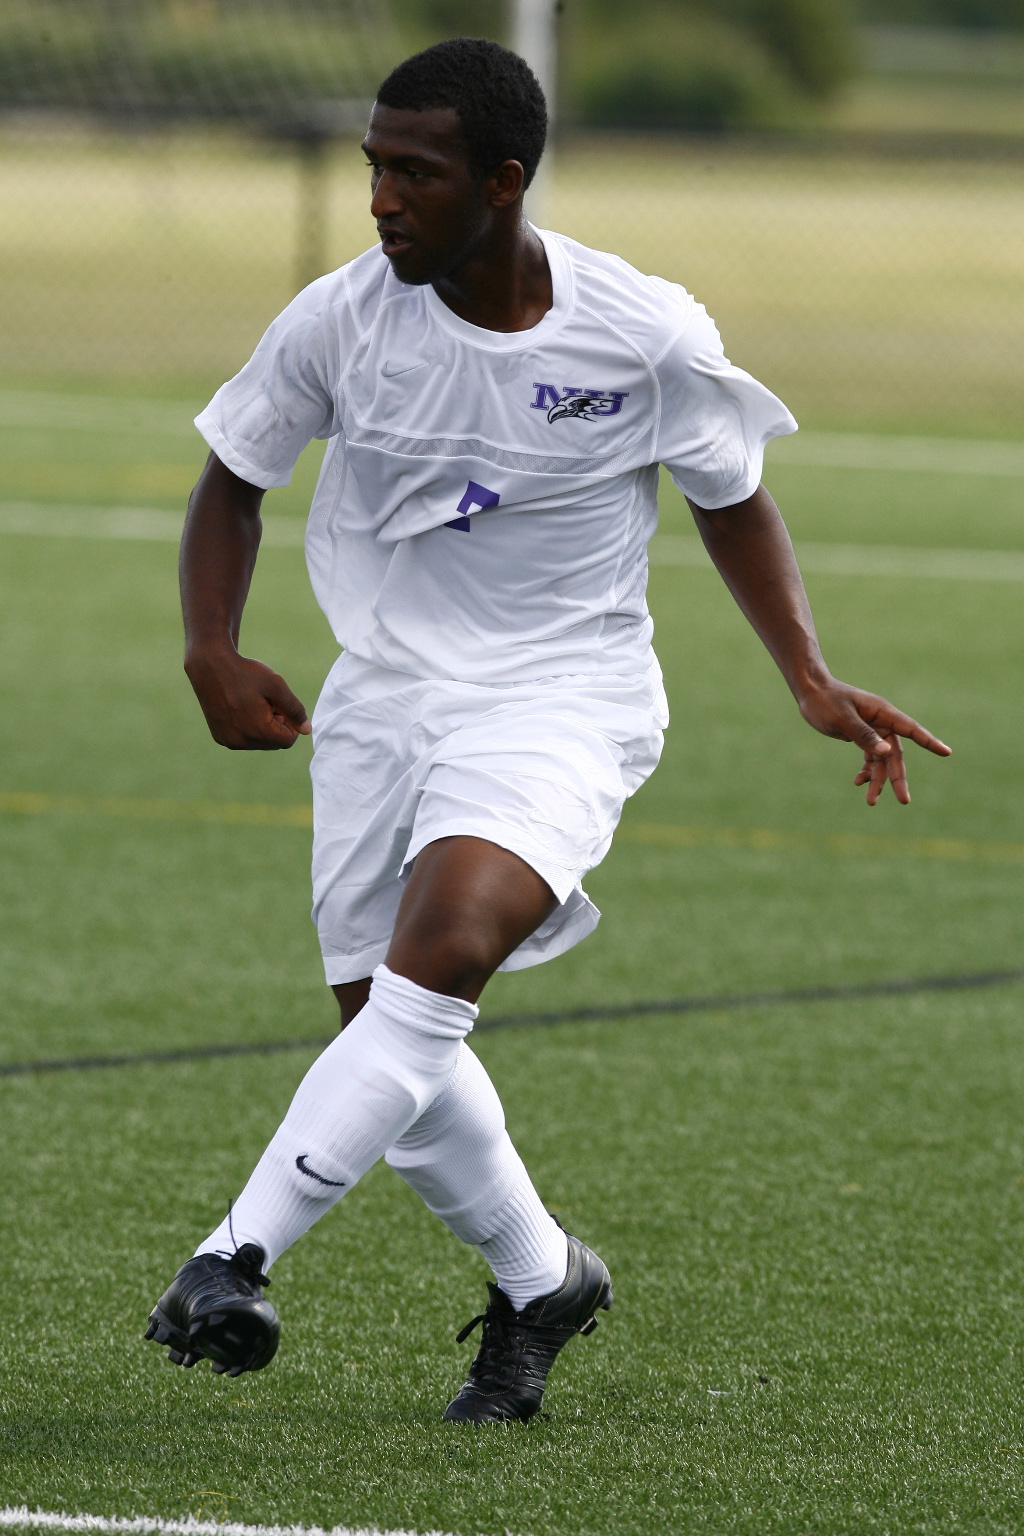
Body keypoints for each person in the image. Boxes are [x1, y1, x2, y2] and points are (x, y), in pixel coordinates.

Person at [145, 37, 950, 1424]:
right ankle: (543, 1277)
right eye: (375, 168)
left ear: (503, 181)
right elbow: (234, 476)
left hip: (563, 699)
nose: (382, 199)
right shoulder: (339, 320)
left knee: (446, 948)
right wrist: (209, 647)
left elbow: (732, 496)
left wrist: (810, 678)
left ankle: (234, 1254)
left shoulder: (642, 331)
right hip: (383, 702)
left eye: (416, 172)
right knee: (391, 1040)